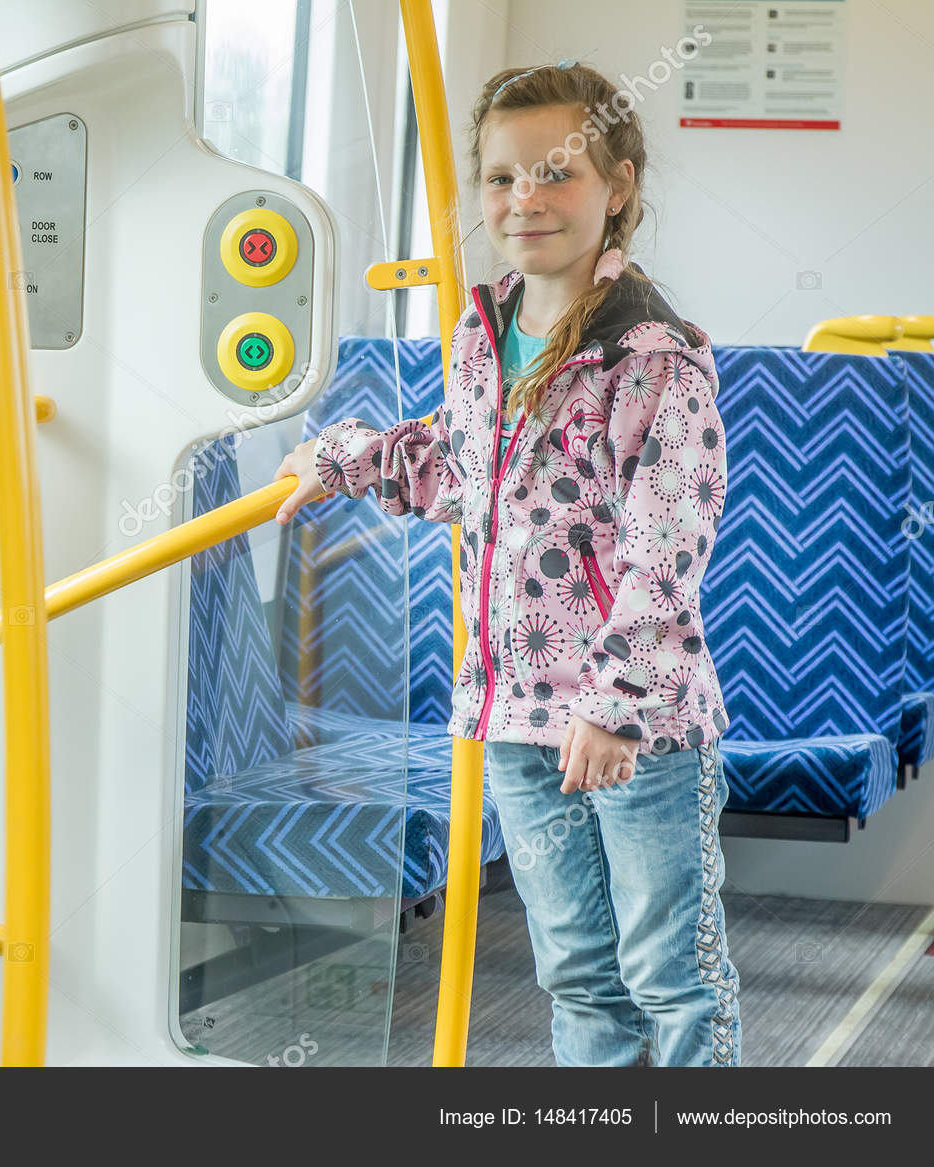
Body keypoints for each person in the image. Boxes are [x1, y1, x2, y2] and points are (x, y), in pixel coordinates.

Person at [273, 60, 739, 1067]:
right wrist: (342, 456)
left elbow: (668, 544)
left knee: (671, 976)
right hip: (513, 713)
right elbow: (461, 468)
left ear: (615, 188)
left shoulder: (649, 355)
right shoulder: (485, 331)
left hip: (636, 728)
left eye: (554, 173)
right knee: (577, 973)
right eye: (499, 179)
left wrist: (613, 705)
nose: (523, 199)